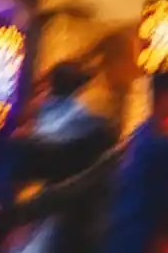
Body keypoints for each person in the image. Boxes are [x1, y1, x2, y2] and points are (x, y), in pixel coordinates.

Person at [10, 61, 115, 253]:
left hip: (57, 221)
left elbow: (36, 159)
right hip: (78, 225)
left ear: (51, 86)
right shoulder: (96, 127)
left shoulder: (50, 122)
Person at [104, 72, 168, 253]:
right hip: (139, 238)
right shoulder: (160, 145)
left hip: (122, 235)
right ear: (163, 96)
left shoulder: (138, 138)